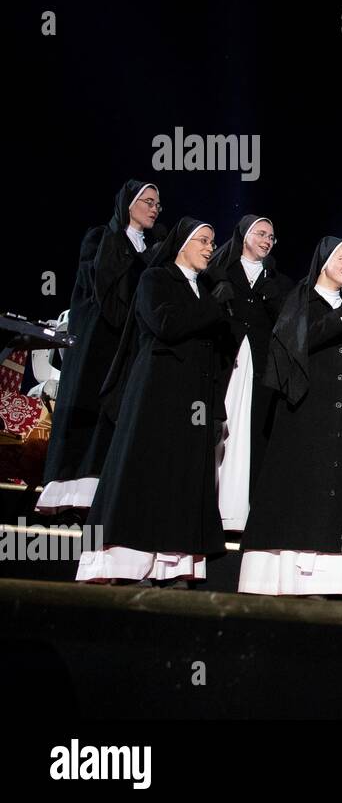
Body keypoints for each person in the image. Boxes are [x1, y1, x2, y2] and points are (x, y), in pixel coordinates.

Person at [76, 219, 228, 585]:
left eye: (212, 242)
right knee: (143, 477)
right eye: (203, 241)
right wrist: (212, 309)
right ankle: (124, 564)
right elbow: (166, 325)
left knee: (178, 480)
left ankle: (169, 565)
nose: (210, 247)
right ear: (182, 244)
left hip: (192, 402)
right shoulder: (155, 279)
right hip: (155, 398)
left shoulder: (203, 290)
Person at [238, 238, 342, 598]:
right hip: (304, 416)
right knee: (297, 496)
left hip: (339, 422)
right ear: (324, 260)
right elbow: (298, 343)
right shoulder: (301, 298)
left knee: (330, 503)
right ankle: (284, 577)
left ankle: (322, 582)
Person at [38, 181, 166, 512]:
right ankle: (73, 493)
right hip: (99, 346)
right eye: (148, 202)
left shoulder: (152, 249)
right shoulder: (102, 238)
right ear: (129, 204)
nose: (154, 208)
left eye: (157, 204)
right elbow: (100, 292)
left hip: (128, 347)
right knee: (89, 410)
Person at [203, 215, 295, 532]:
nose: (267, 240)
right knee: (220, 428)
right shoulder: (221, 273)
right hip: (225, 362)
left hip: (260, 367)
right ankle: (209, 506)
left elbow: (288, 326)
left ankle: (243, 513)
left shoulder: (280, 283)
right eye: (262, 234)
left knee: (254, 435)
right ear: (244, 236)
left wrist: (271, 296)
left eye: (272, 236)